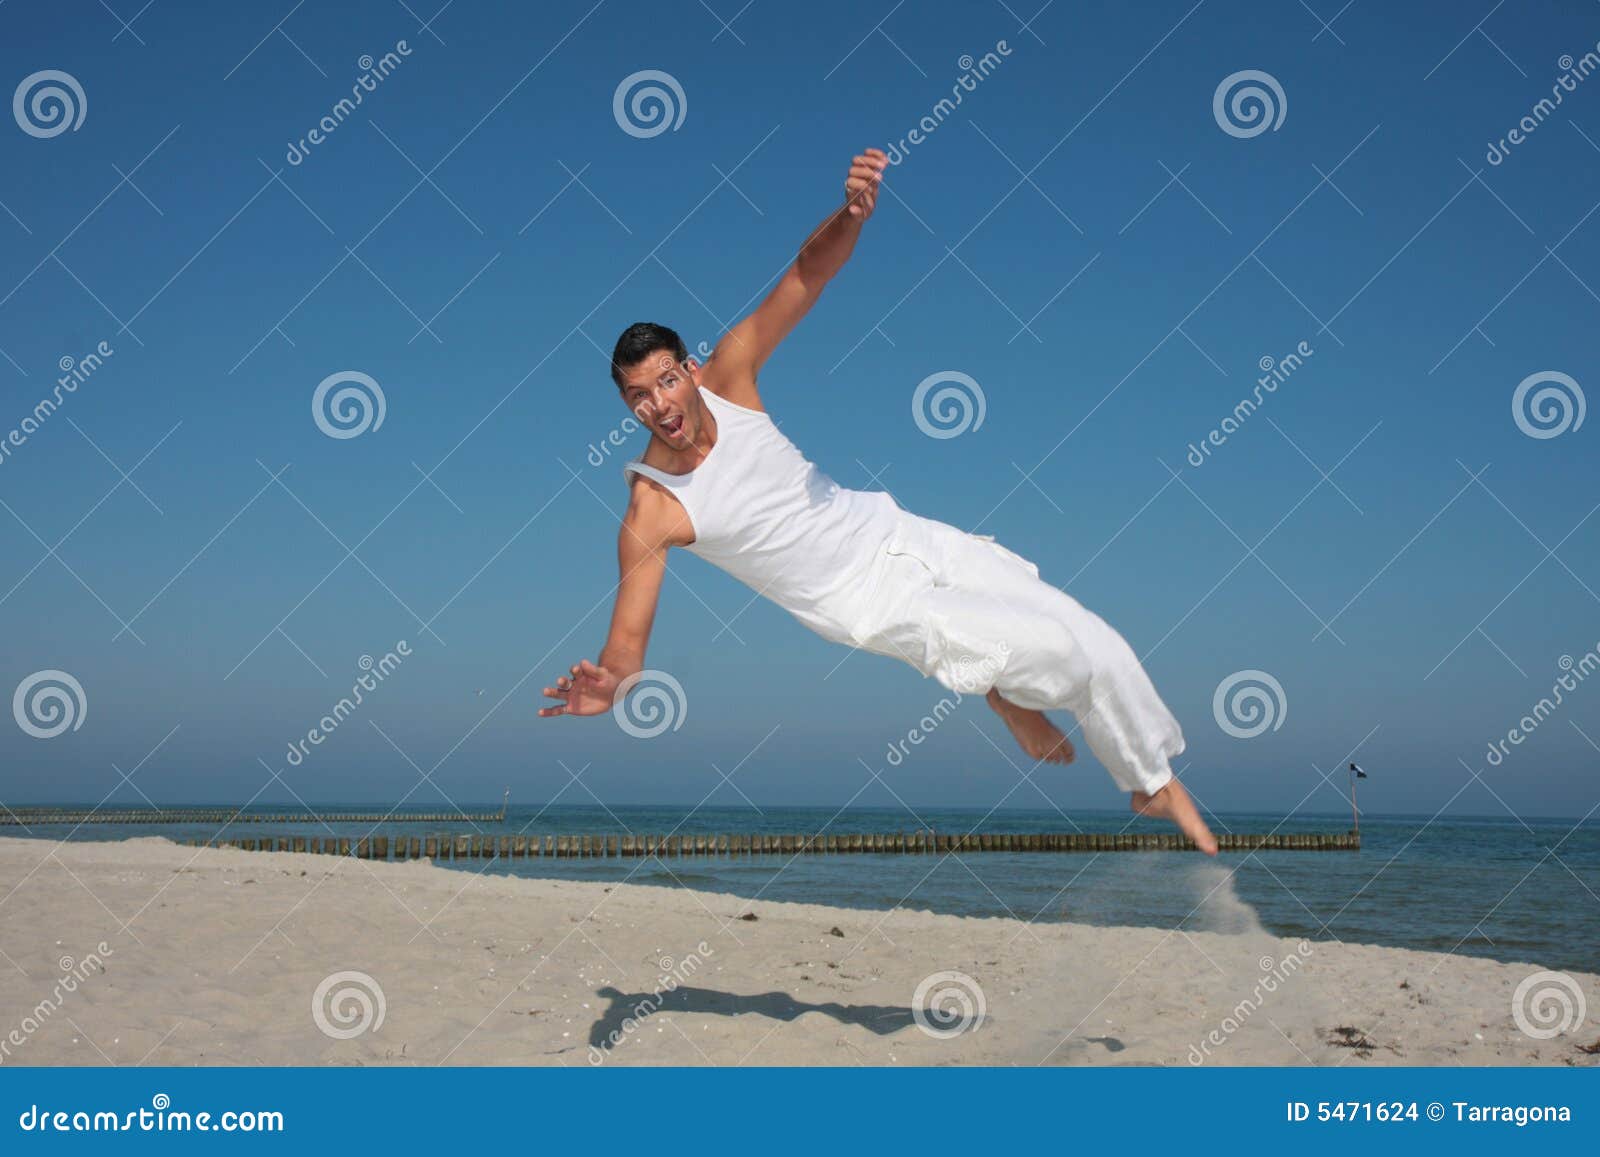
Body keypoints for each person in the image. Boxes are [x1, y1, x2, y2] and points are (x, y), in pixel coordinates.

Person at [539, 147, 1217, 854]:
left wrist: (853, 214)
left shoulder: (729, 377)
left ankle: (1149, 780)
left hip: (898, 528)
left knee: (1096, 637)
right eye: (637, 397)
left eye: (665, 381)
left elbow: (807, 272)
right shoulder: (654, 509)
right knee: (1057, 654)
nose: (658, 405)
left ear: (688, 368)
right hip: (865, 600)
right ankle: (1003, 691)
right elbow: (626, 648)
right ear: (628, 406)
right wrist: (611, 685)